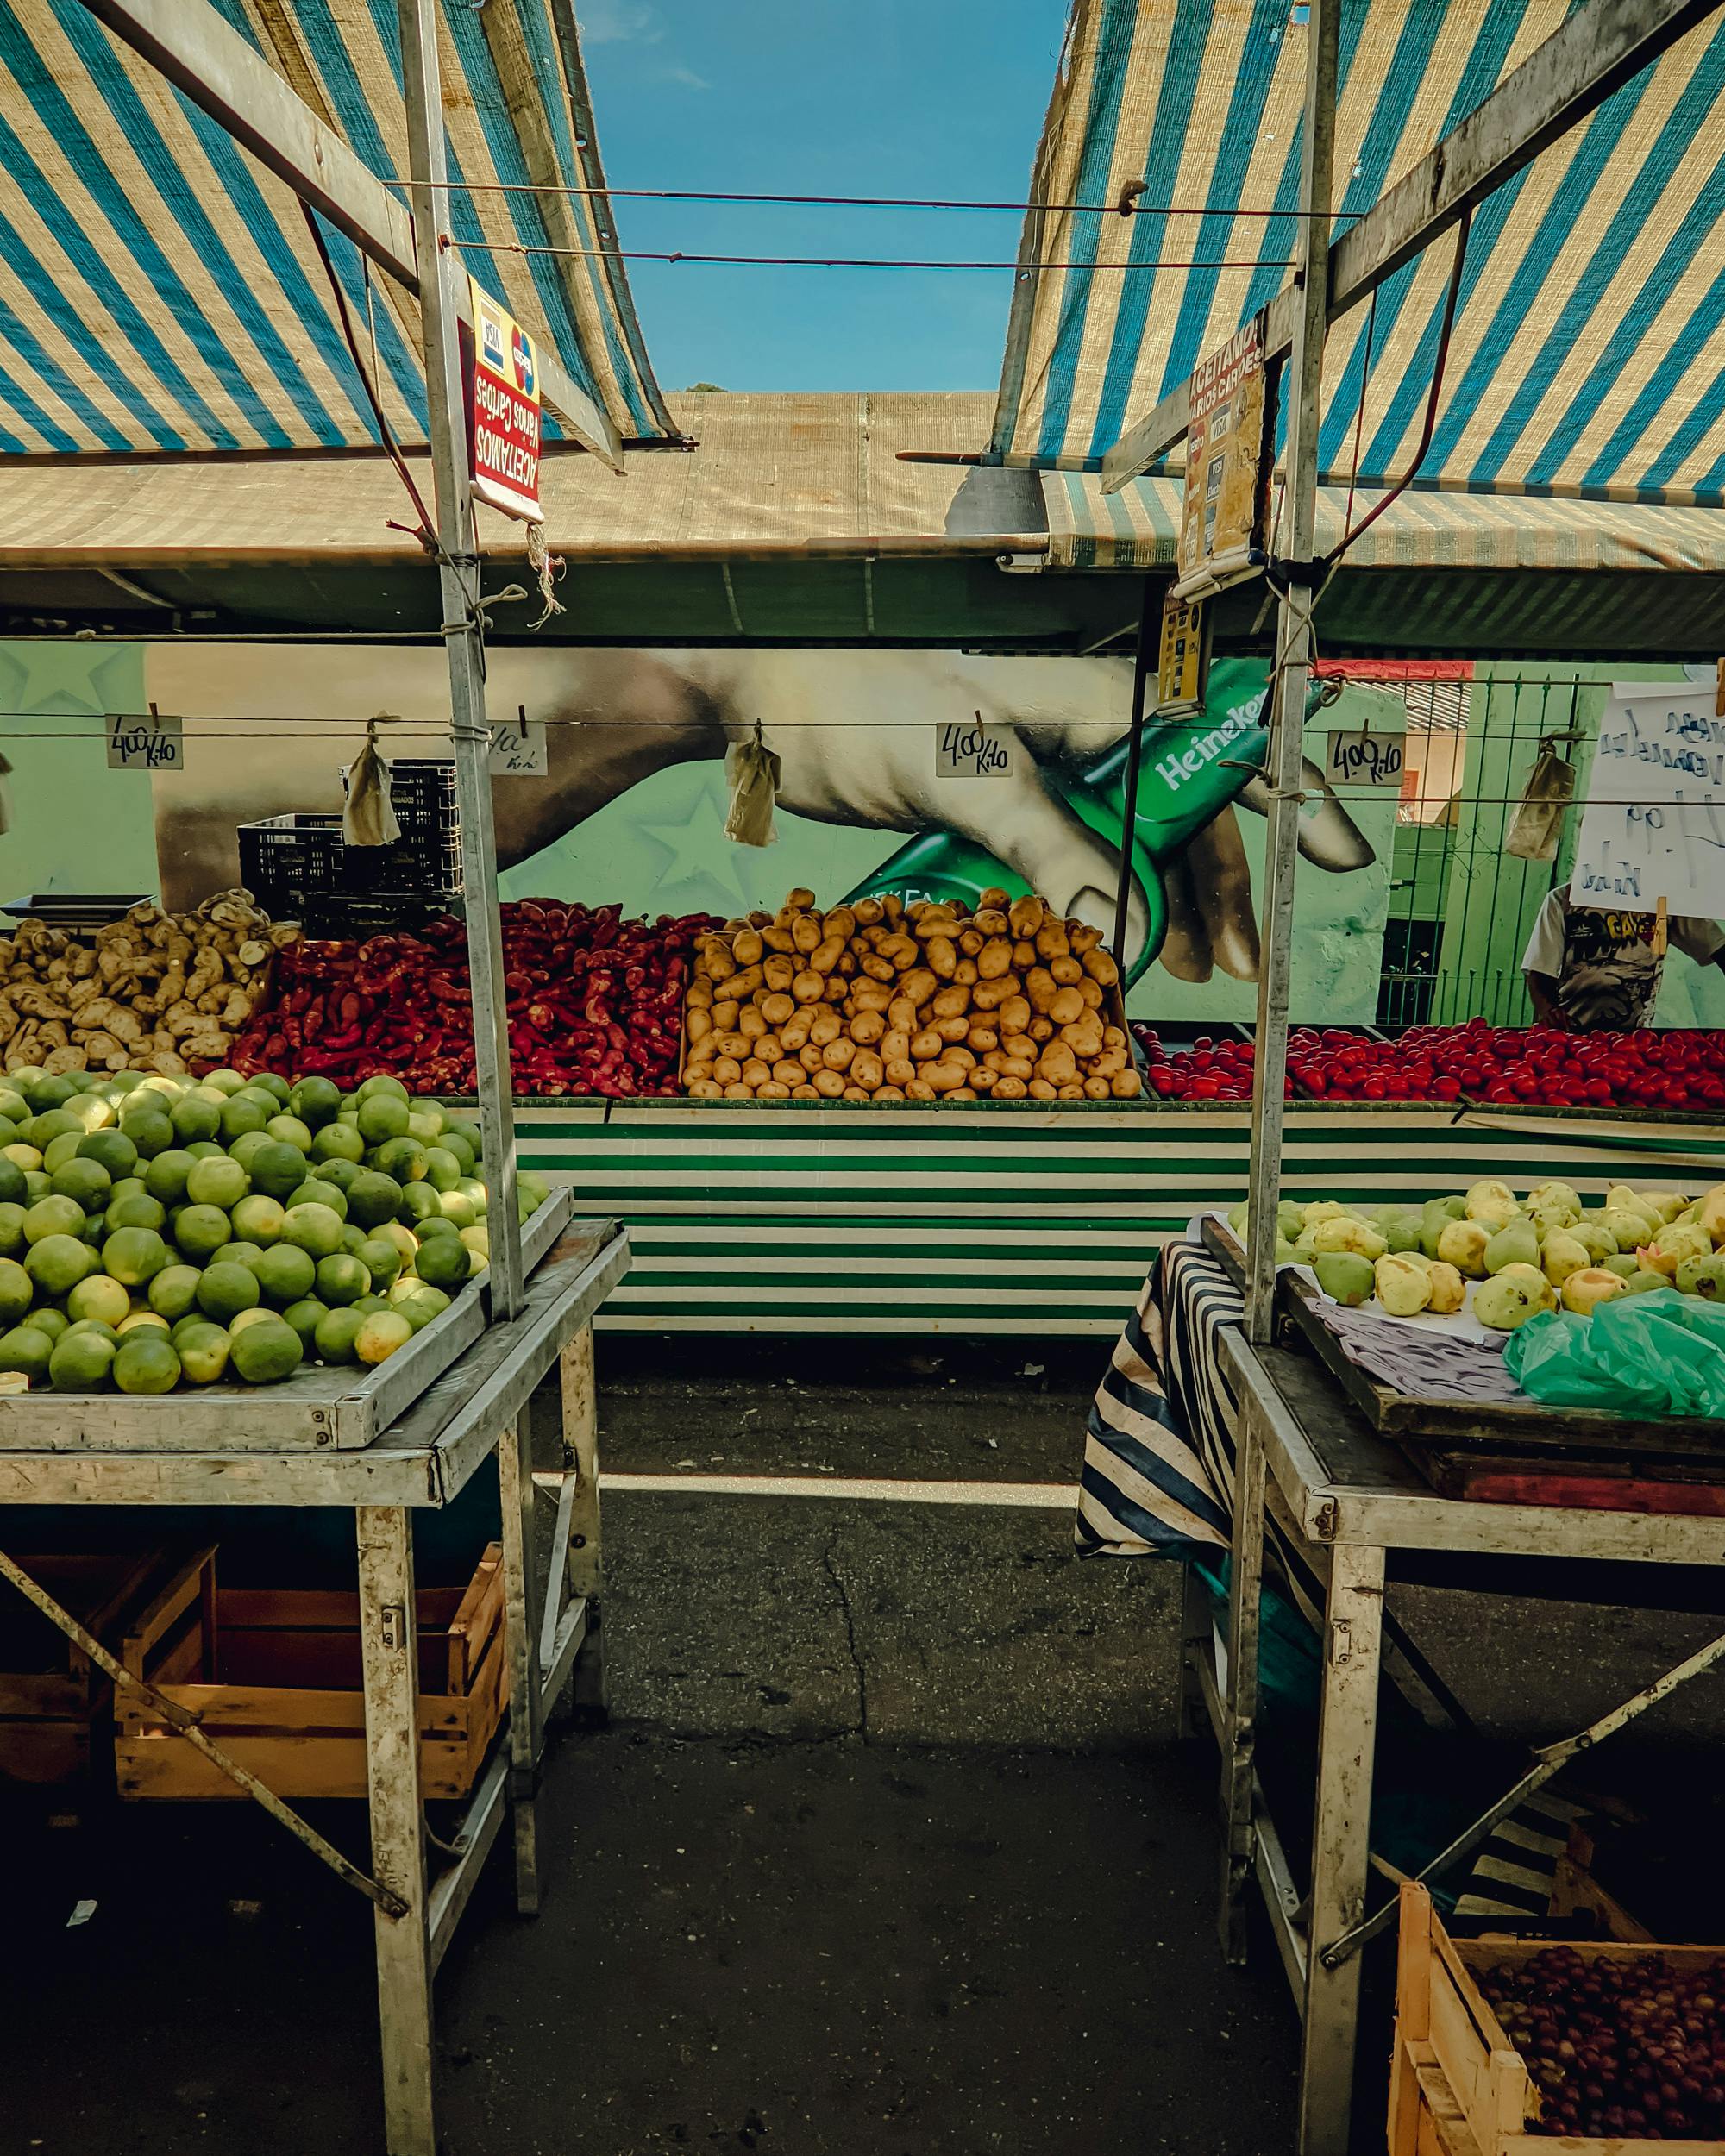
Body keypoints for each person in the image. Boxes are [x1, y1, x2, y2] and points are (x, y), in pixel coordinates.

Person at [1521, 881, 1725, 1031]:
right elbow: (1539, 969)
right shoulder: (1563, 900)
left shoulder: (1663, 904)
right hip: (1570, 1033)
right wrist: (1549, 1011)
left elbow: (1718, 947)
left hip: (1636, 1037)